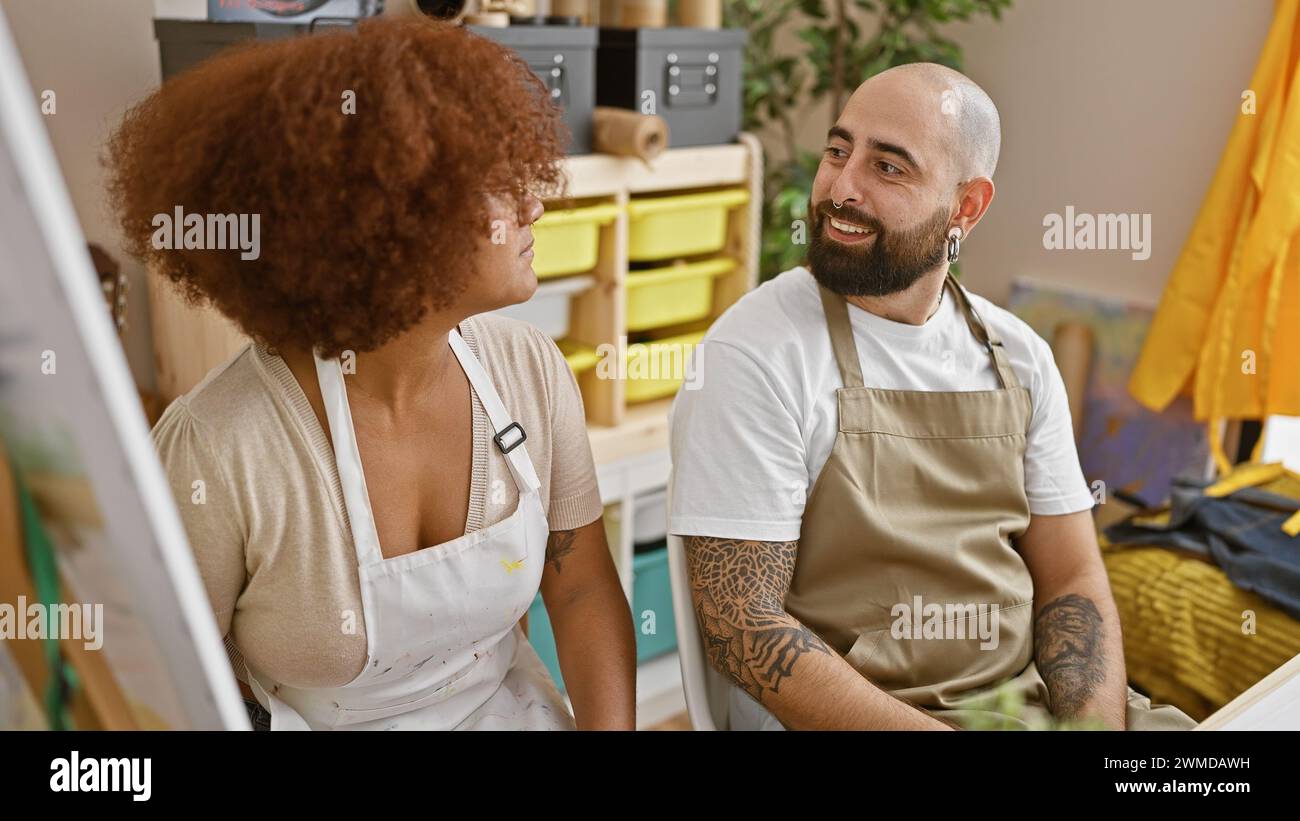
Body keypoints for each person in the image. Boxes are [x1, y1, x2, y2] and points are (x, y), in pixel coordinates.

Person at [106, 17, 636, 730]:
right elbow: (166, 697)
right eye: (496, 186)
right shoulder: (219, 447)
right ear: (386, 225)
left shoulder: (528, 369)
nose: (535, 202)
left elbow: (580, 594)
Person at [668, 62, 1196, 731]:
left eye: (888, 167)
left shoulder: (1019, 358)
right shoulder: (753, 354)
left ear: (966, 206)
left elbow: (1072, 579)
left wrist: (1092, 729)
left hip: (1024, 711)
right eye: (838, 151)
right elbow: (743, 628)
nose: (841, 186)